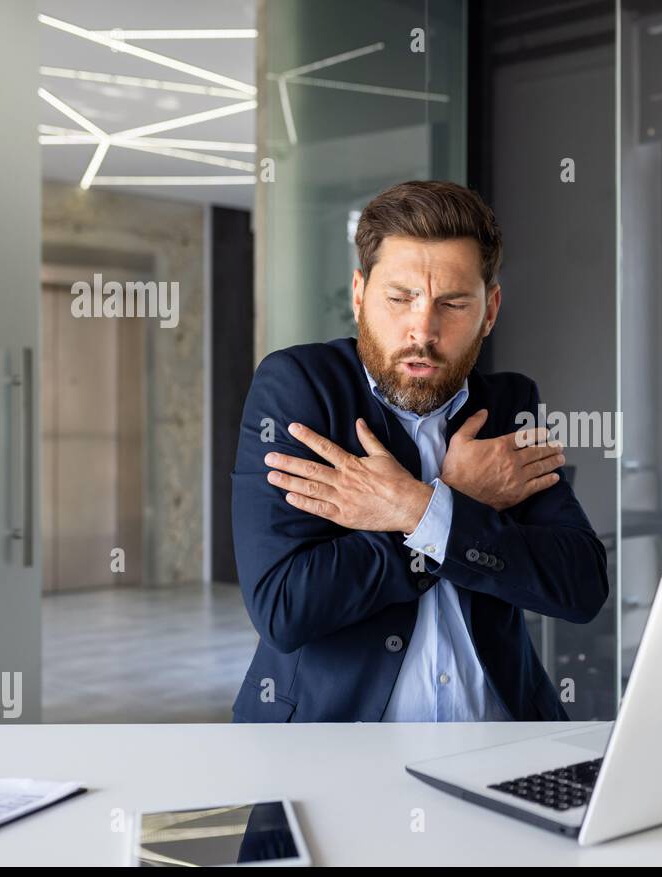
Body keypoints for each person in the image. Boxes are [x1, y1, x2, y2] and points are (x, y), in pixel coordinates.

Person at [231, 180, 609, 723]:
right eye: (400, 297)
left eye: (453, 303)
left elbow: (580, 587)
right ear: (359, 296)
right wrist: (455, 499)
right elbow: (285, 608)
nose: (423, 329)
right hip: (337, 752)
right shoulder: (300, 388)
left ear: (490, 309)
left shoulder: (509, 403)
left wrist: (415, 508)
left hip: (501, 743)